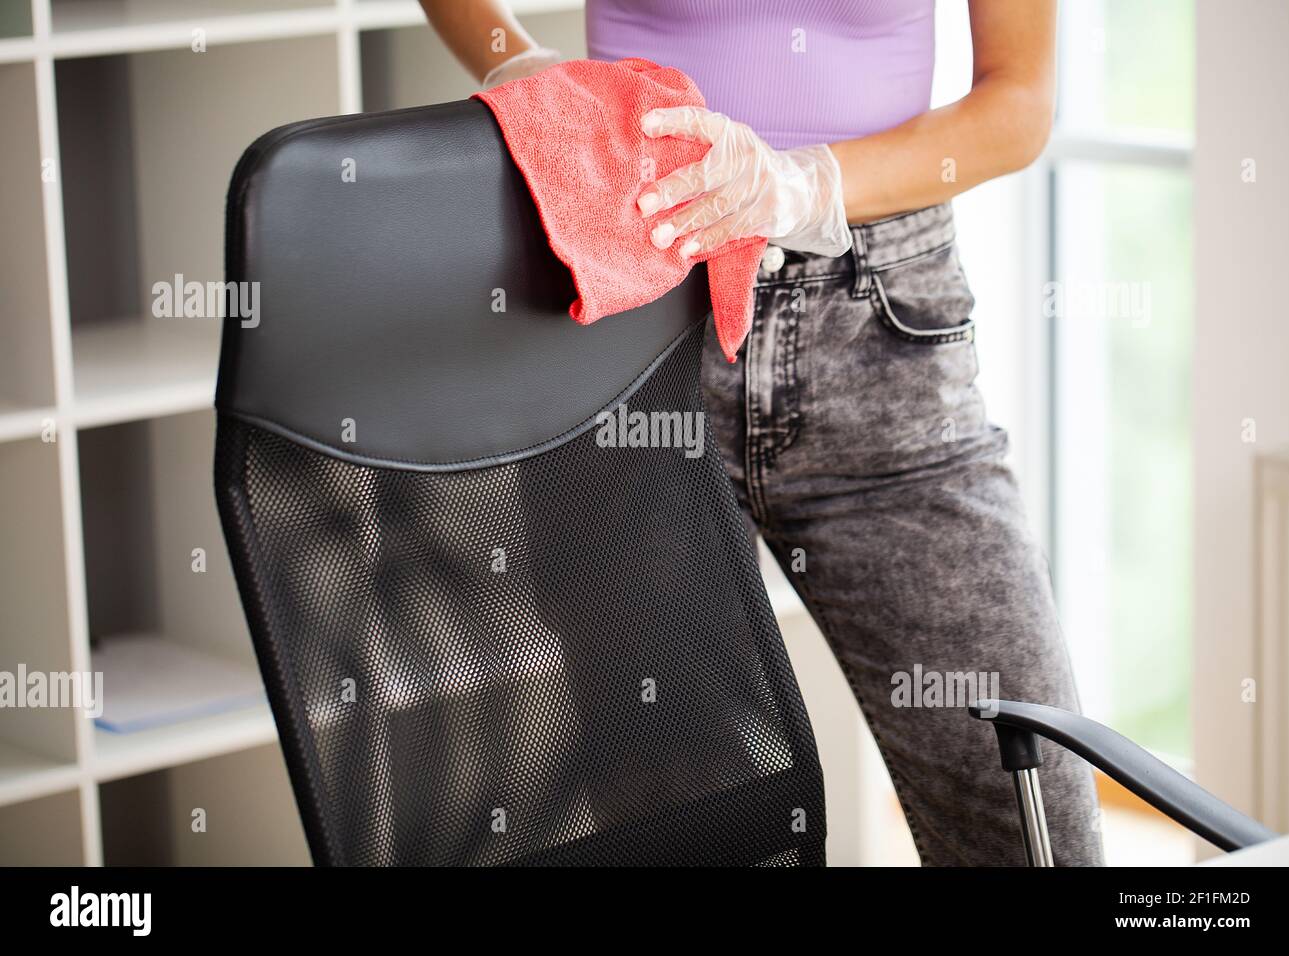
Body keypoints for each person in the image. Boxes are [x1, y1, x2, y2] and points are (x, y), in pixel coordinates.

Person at [421, 0, 1104, 866]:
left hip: (883, 339)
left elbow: (1018, 104)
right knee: (688, 828)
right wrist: (512, 59)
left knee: (1030, 817)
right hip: (641, 318)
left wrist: (803, 183)